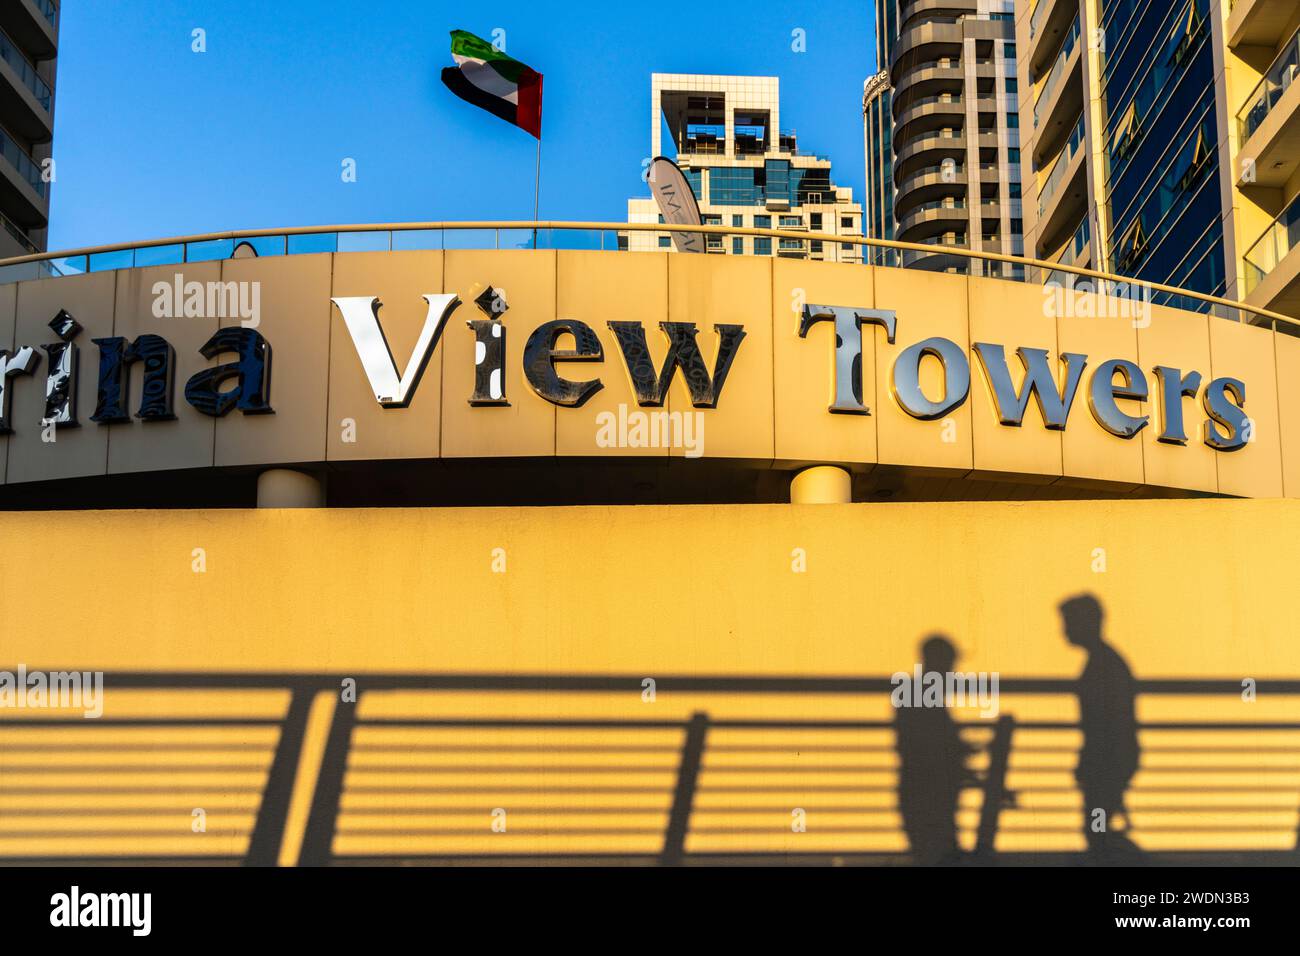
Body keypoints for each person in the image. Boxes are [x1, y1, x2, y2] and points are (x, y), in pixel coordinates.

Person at [1058, 593, 1141, 860]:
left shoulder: (1102, 664)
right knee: (1098, 825)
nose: (1065, 630)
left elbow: (1104, 723)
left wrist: (1091, 761)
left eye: (1069, 622)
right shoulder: (1107, 661)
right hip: (1110, 760)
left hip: (1105, 761)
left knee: (1096, 827)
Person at [894, 634, 979, 865]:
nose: (953, 670)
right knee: (939, 850)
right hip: (929, 792)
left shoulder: (913, 693)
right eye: (950, 663)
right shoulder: (921, 696)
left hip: (920, 789)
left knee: (932, 852)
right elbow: (932, 747)